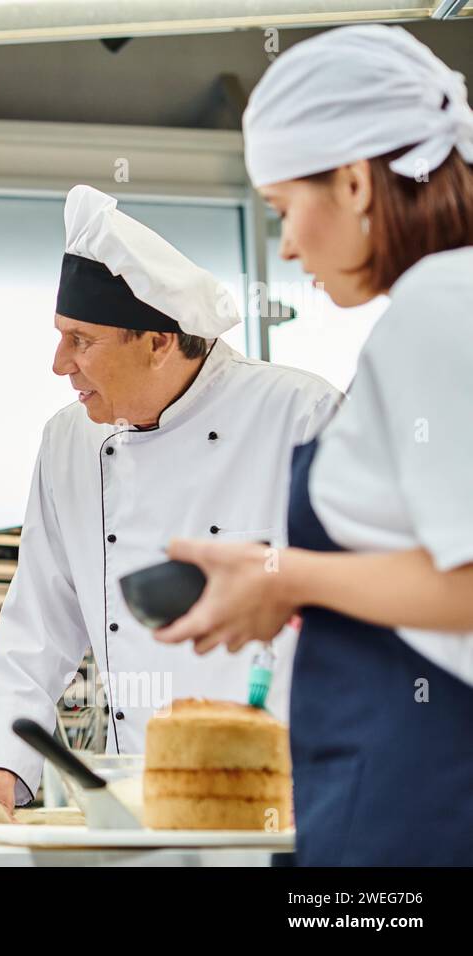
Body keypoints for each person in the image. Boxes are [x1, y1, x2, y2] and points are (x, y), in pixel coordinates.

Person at [156, 25, 473, 865]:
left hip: (418, 805)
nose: (289, 245)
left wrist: (280, 576)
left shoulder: (441, 304)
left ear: (357, 182)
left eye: (284, 208)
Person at [0, 185, 341, 815]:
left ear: (158, 341)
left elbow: (358, 598)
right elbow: (37, 620)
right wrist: (4, 773)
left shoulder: (299, 413)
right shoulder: (68, 441)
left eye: (81, 340)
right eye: (60, 336)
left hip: (283, 791)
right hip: (139, 797)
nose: (58, 363)